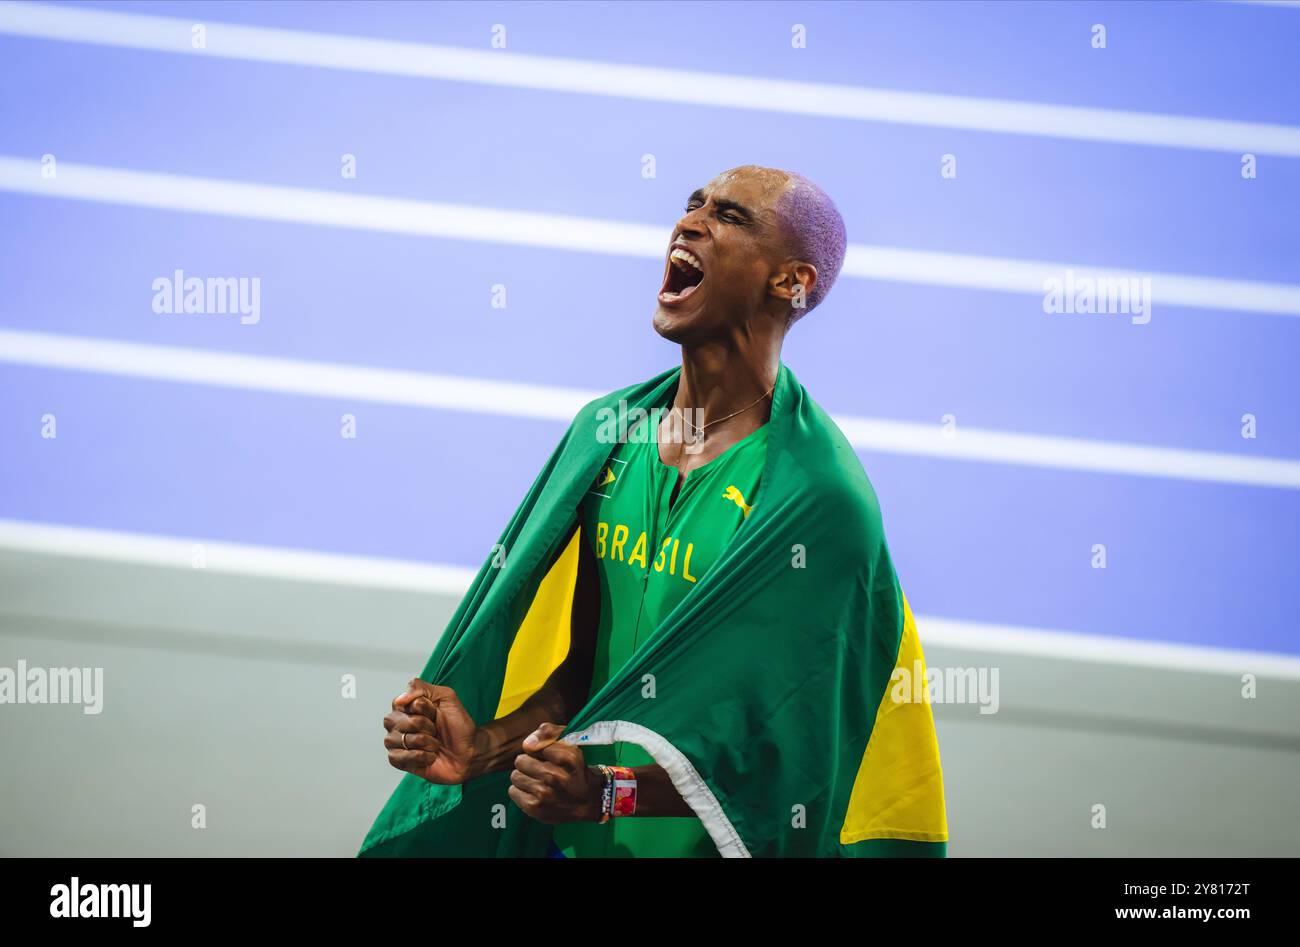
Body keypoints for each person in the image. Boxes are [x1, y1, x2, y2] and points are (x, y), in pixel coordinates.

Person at [369, 166, 947, 858]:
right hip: (579, 844)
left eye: (730, 217)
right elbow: (590, 673)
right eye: (692, 206)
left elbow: (788, 765)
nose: (690, 223)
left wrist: (612, 791)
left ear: (792, 282)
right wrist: (485, 747)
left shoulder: (815, 501)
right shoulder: (608, 437)